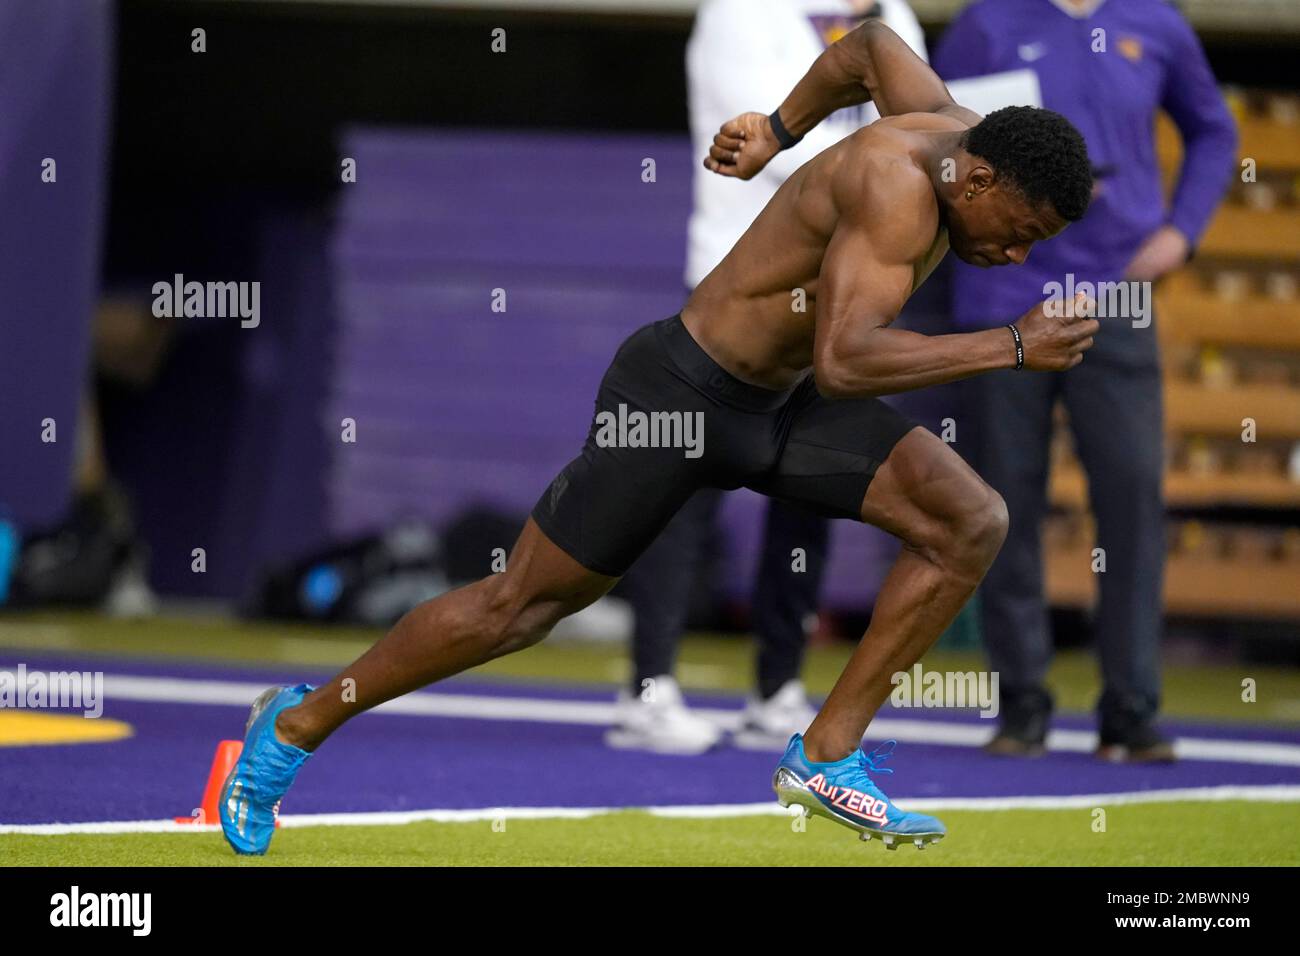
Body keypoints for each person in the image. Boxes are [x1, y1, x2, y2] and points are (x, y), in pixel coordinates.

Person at [220, 19, 1098, 855]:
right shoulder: (896, 190)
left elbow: (865, 48)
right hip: (682, 395)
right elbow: (845, 361)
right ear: (977, 183)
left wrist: (777, 132)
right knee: (517, 610)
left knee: (968, 521)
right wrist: (1014, 346)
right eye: (1020, 235)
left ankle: (826, 755)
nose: (1017, 258)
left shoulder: (950, 122)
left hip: (783, 403)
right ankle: (295, 723)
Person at [609, 0, 930, 755]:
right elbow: (774, 145)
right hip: (736, 290)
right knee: (679, 488)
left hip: (838, 296)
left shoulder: (894, 16)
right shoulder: (740, 12)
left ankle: (777, 688)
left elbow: (922, 129)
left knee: (811, 493)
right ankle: (648, 691)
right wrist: (899, 168)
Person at [932, 0, 1238, 761]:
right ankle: (1021, 705)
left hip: (1118, 292)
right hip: (1004, 288)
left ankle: (1130, 710)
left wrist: (1182, 234)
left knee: (1131, 494)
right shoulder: (986, 22)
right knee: (1002, 501)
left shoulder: (1155, 22)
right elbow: (935, 144)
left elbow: (1214, 128)